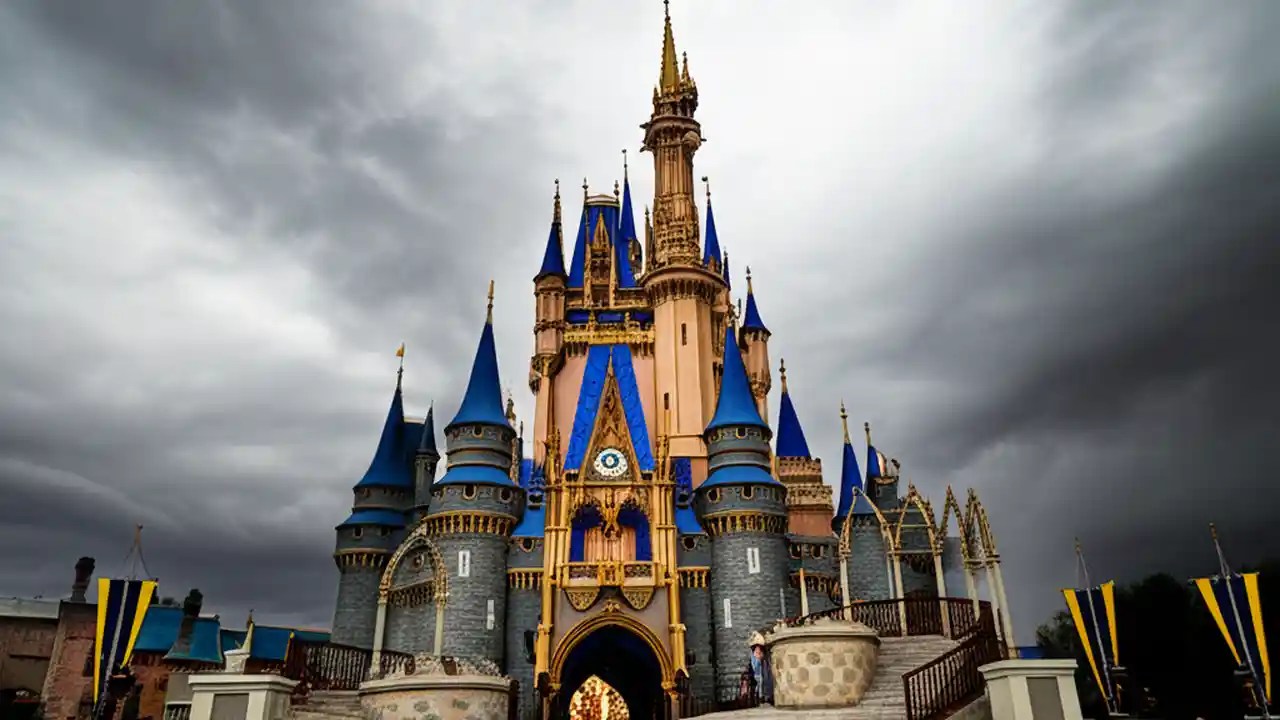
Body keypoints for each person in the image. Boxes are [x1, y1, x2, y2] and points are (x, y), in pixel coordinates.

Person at [743, 632, 773, 705]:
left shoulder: (759, 651)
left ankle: (765, 696)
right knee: (762, 681)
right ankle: (763, 696)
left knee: (765, 679)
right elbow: (755, 662)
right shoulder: (755, 652)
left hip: (761, 669)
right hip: (757, 671)